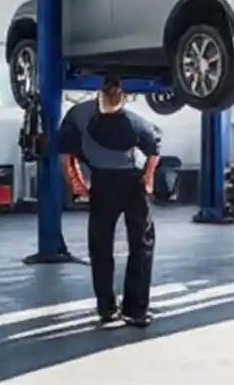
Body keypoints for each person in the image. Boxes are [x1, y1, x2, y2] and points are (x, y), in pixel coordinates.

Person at [59, 77, 160, 327]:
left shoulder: (133, 123)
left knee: (110, 243)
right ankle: (126, 309)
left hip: (118, 182)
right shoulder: (133, 123)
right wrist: (76, 182)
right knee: (133, 243)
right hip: (118, 181)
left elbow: (153, 155)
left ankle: (115, 308)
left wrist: (147, 180)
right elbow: (66, 155)